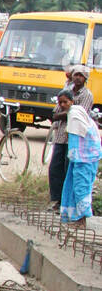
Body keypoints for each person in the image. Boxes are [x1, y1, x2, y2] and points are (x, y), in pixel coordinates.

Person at [48, 63, 94, 208]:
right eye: (76, 75)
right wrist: (66, 112)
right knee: (55, 168)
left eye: (81, 75)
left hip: (74, 138)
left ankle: (67, 201)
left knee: (69, 170)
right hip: (60, 135)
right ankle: (56, 199)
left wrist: (67, 112)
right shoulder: (66, 91)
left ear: (85, 78)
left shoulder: (87, 95)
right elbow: (55, 114)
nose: (78, 78)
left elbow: (79, 115)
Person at [60, 92, 102, 226]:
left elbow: (79, 133)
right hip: (82, 157)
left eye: (65, 102)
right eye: (60, 102)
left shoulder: (75, 113)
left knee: (81, 187)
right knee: (75, 185)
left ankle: (81, 219)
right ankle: (75, 216)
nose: (62, 105)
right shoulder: (75, 112)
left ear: (71, 101)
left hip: (85, 157)